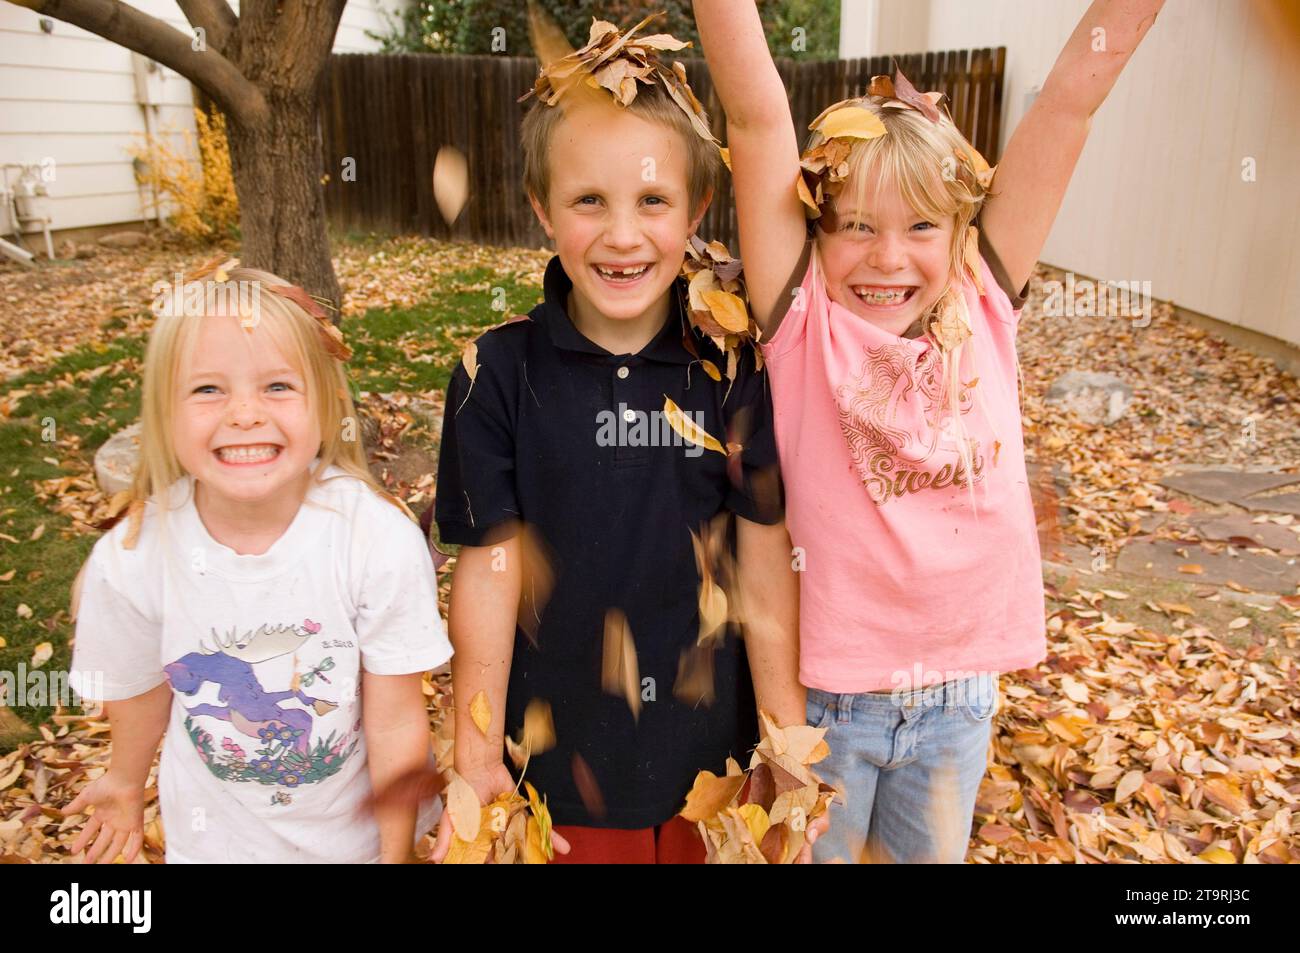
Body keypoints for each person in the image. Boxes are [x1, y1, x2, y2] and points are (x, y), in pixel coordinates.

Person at [694, 0, 1166, 862]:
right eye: (855, 227)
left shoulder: (983, 299)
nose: (886, 256)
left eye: (919, 226)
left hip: (958, 705)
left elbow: (1067, 103)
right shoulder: (803, 324)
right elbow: (755, 112)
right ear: (815, 233)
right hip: (833, 705)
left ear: (959, 237)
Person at [430, 18, 803, 864]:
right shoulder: (494, 374)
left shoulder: (731, 366)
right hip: (552, 778)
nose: (623, 234)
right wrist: (476, 752)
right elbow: (487, 569)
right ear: (541, 208)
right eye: (589, 200)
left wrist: (785, 742)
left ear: (698, 207)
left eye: (653, 201)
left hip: (708, 770)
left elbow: (766, 565)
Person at [65, 259, 452, 863]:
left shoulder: (374, 540)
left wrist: (397, 852)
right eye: (207, 388)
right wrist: (122, 781)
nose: (244, 414)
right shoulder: (135, 556)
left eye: (277, 386)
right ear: (164, 414)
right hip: (212, 845)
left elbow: (397, 720)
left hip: (356, 846)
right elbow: (139, 689)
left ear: (323, 405)